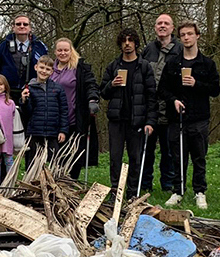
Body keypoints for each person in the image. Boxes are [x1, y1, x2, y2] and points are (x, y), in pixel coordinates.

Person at [159, 22, 220, 210]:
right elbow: (162, 89)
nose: (186, 37)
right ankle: (178, 191)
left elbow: (215, 90)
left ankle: (200, 191)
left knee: (199, 157)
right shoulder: (172, 63)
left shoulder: (207, 64)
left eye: (190, 34)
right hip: (176, 119)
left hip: (199, 118)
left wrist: (196, 84)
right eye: (183, 34)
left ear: (197, 36)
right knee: (177, 157)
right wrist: (173, 101)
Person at [100, 28, 156, 196]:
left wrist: (150, 121)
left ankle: (132, 193)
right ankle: (115, 191)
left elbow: (152, 96)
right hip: (116, 120)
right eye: (124, 41)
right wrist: (112, 84)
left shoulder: (144, 66)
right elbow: (103, 92)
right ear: (120, 44)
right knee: (115, 158)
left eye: (130, 40)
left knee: (135, 158)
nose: (127, 44)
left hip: (137, 120)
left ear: (136, 43)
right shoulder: (113, 66)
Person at [141, 13, 180, 195]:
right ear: (155, 27)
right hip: (150, 109)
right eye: (159, 23)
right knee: (147, 149)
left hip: (170, 109)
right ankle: (145, 184)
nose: (162, 26)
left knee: (169, 150)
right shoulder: (148, 50)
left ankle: (168, 185)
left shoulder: (180, 49)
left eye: (166, 23)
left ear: (172, 28)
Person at [51, 38, 100, 180]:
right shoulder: (50, 69)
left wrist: (93, 99)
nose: (63, 53)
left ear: (71, 51)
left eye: (66, 50)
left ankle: (72, 182)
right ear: (55, 52)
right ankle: (57, 183)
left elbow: (91, 84)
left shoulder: (80, 68)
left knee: (74, 154)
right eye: (60, 50)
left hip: (74, 118)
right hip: (54, 120)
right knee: (57, 156)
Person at [20, 56, 68, 166]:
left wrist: (63, 130)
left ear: (52, 72)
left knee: (54, 163)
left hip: (53, 133)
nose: (44, 71)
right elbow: (26, 113)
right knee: (32, 164)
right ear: (36, 67)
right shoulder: (29, 88)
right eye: (41, 68)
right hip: (34, 133)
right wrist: (24, 101)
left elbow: (63, 111)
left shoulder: (58, 88)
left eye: (47, 69)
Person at [0, 14, 48, 98]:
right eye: (18, 24)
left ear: (30, 28)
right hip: (6, 94)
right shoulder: (4, 46)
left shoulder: (39, 47)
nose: (22, 26)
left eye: (25, 24)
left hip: (33, 93)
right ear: (13, 27)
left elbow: (47, 70)